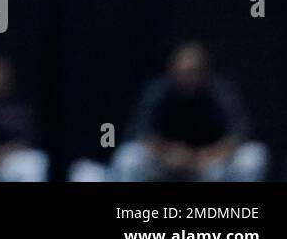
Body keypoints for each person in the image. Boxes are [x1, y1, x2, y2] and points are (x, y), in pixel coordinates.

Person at [111, 42, 267, 181]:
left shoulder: (222, 93)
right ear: (172, 70)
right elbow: (141, 133)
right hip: (166, 163)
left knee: (253, 156)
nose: (188, 78)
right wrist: (171, 155)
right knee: (128, 157)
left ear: (206, 72)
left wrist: (203, 157)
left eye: (194, 72)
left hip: (211, 164)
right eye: (184, 72)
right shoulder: (157, 92)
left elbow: (238, 135)